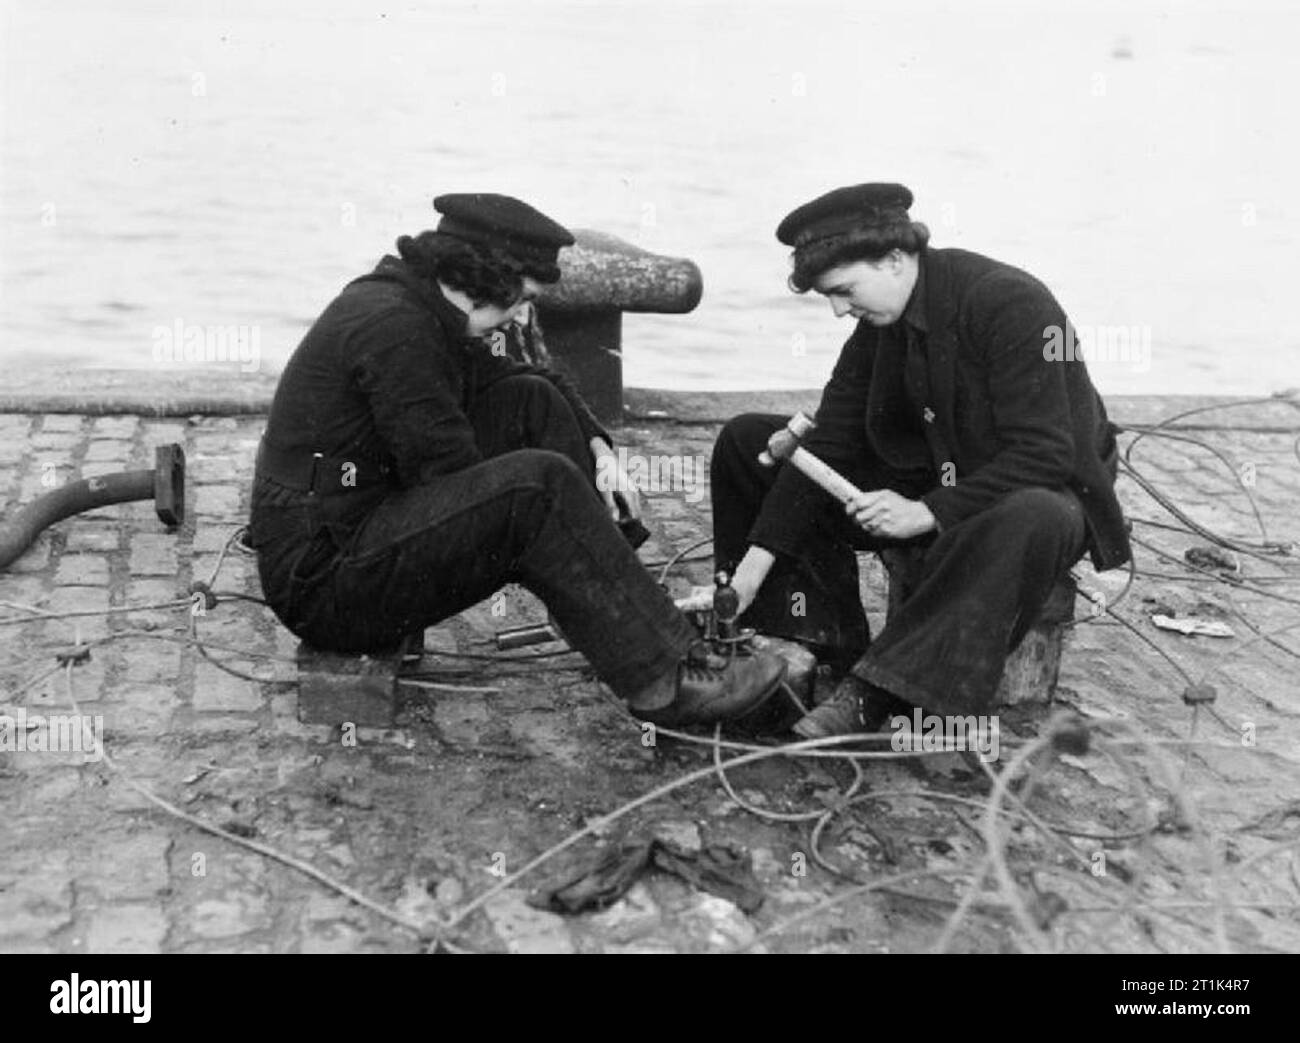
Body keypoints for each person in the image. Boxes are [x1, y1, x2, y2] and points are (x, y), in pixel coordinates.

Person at [248, 192, 785, 727]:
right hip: (326, 587)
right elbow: (459, 484)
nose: (525, 313)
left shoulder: (422, 303)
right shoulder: (396, 330)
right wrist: (558, 526)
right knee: (538, 489)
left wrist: (597, 446)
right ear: (486, 277)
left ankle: (627, 612)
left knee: (531, 400)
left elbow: (530, 378)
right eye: (523, 297)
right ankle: (666, 683)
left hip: (359, 527)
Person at [710, 182, 1131, 738]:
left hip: (1042, 487)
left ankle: (880, 693)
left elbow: (1047, 452)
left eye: (843, 291)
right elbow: (830, 439)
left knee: (1032, 514)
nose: (839, 310)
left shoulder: (1012, 302)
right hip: (936, 469)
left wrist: (927, 511)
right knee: (748, 442)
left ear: (893, 260)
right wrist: (749, 571)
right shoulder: (878, 321)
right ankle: (812, 643)